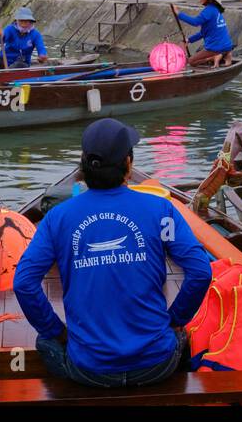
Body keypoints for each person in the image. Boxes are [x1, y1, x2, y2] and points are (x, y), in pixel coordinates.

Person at [13, 119, 211, 389]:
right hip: (156, 367)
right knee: (180, 336)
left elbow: (24, 283)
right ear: (128, 166)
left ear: (83, 167)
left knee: (44, 341)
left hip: (89, 371)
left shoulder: (57, 218)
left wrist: (56, 332)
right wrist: (175, 320)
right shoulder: (160, 210)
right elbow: (200, 271)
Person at [173, 0, 233, 67]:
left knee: (191, 62)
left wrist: (178, 14)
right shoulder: (215, 10)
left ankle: (216, 56)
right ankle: (222, 54)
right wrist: (189, 40)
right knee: (193, 60)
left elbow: (195, 22)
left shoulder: (209, 10)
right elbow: (203, 33)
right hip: (226, 44)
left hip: (216, 46)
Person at [0, 7, 49, 71]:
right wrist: (0, 35)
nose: (23, 24)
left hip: (22, 63)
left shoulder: (35, 34)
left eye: (26, 21)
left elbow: (41, 49)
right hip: (5, 59)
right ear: (17, 21)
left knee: (17, 66)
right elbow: (1, 41)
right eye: (21, 21)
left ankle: (6, 76)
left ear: (30, 21)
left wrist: (42, 56)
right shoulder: (10, 29)